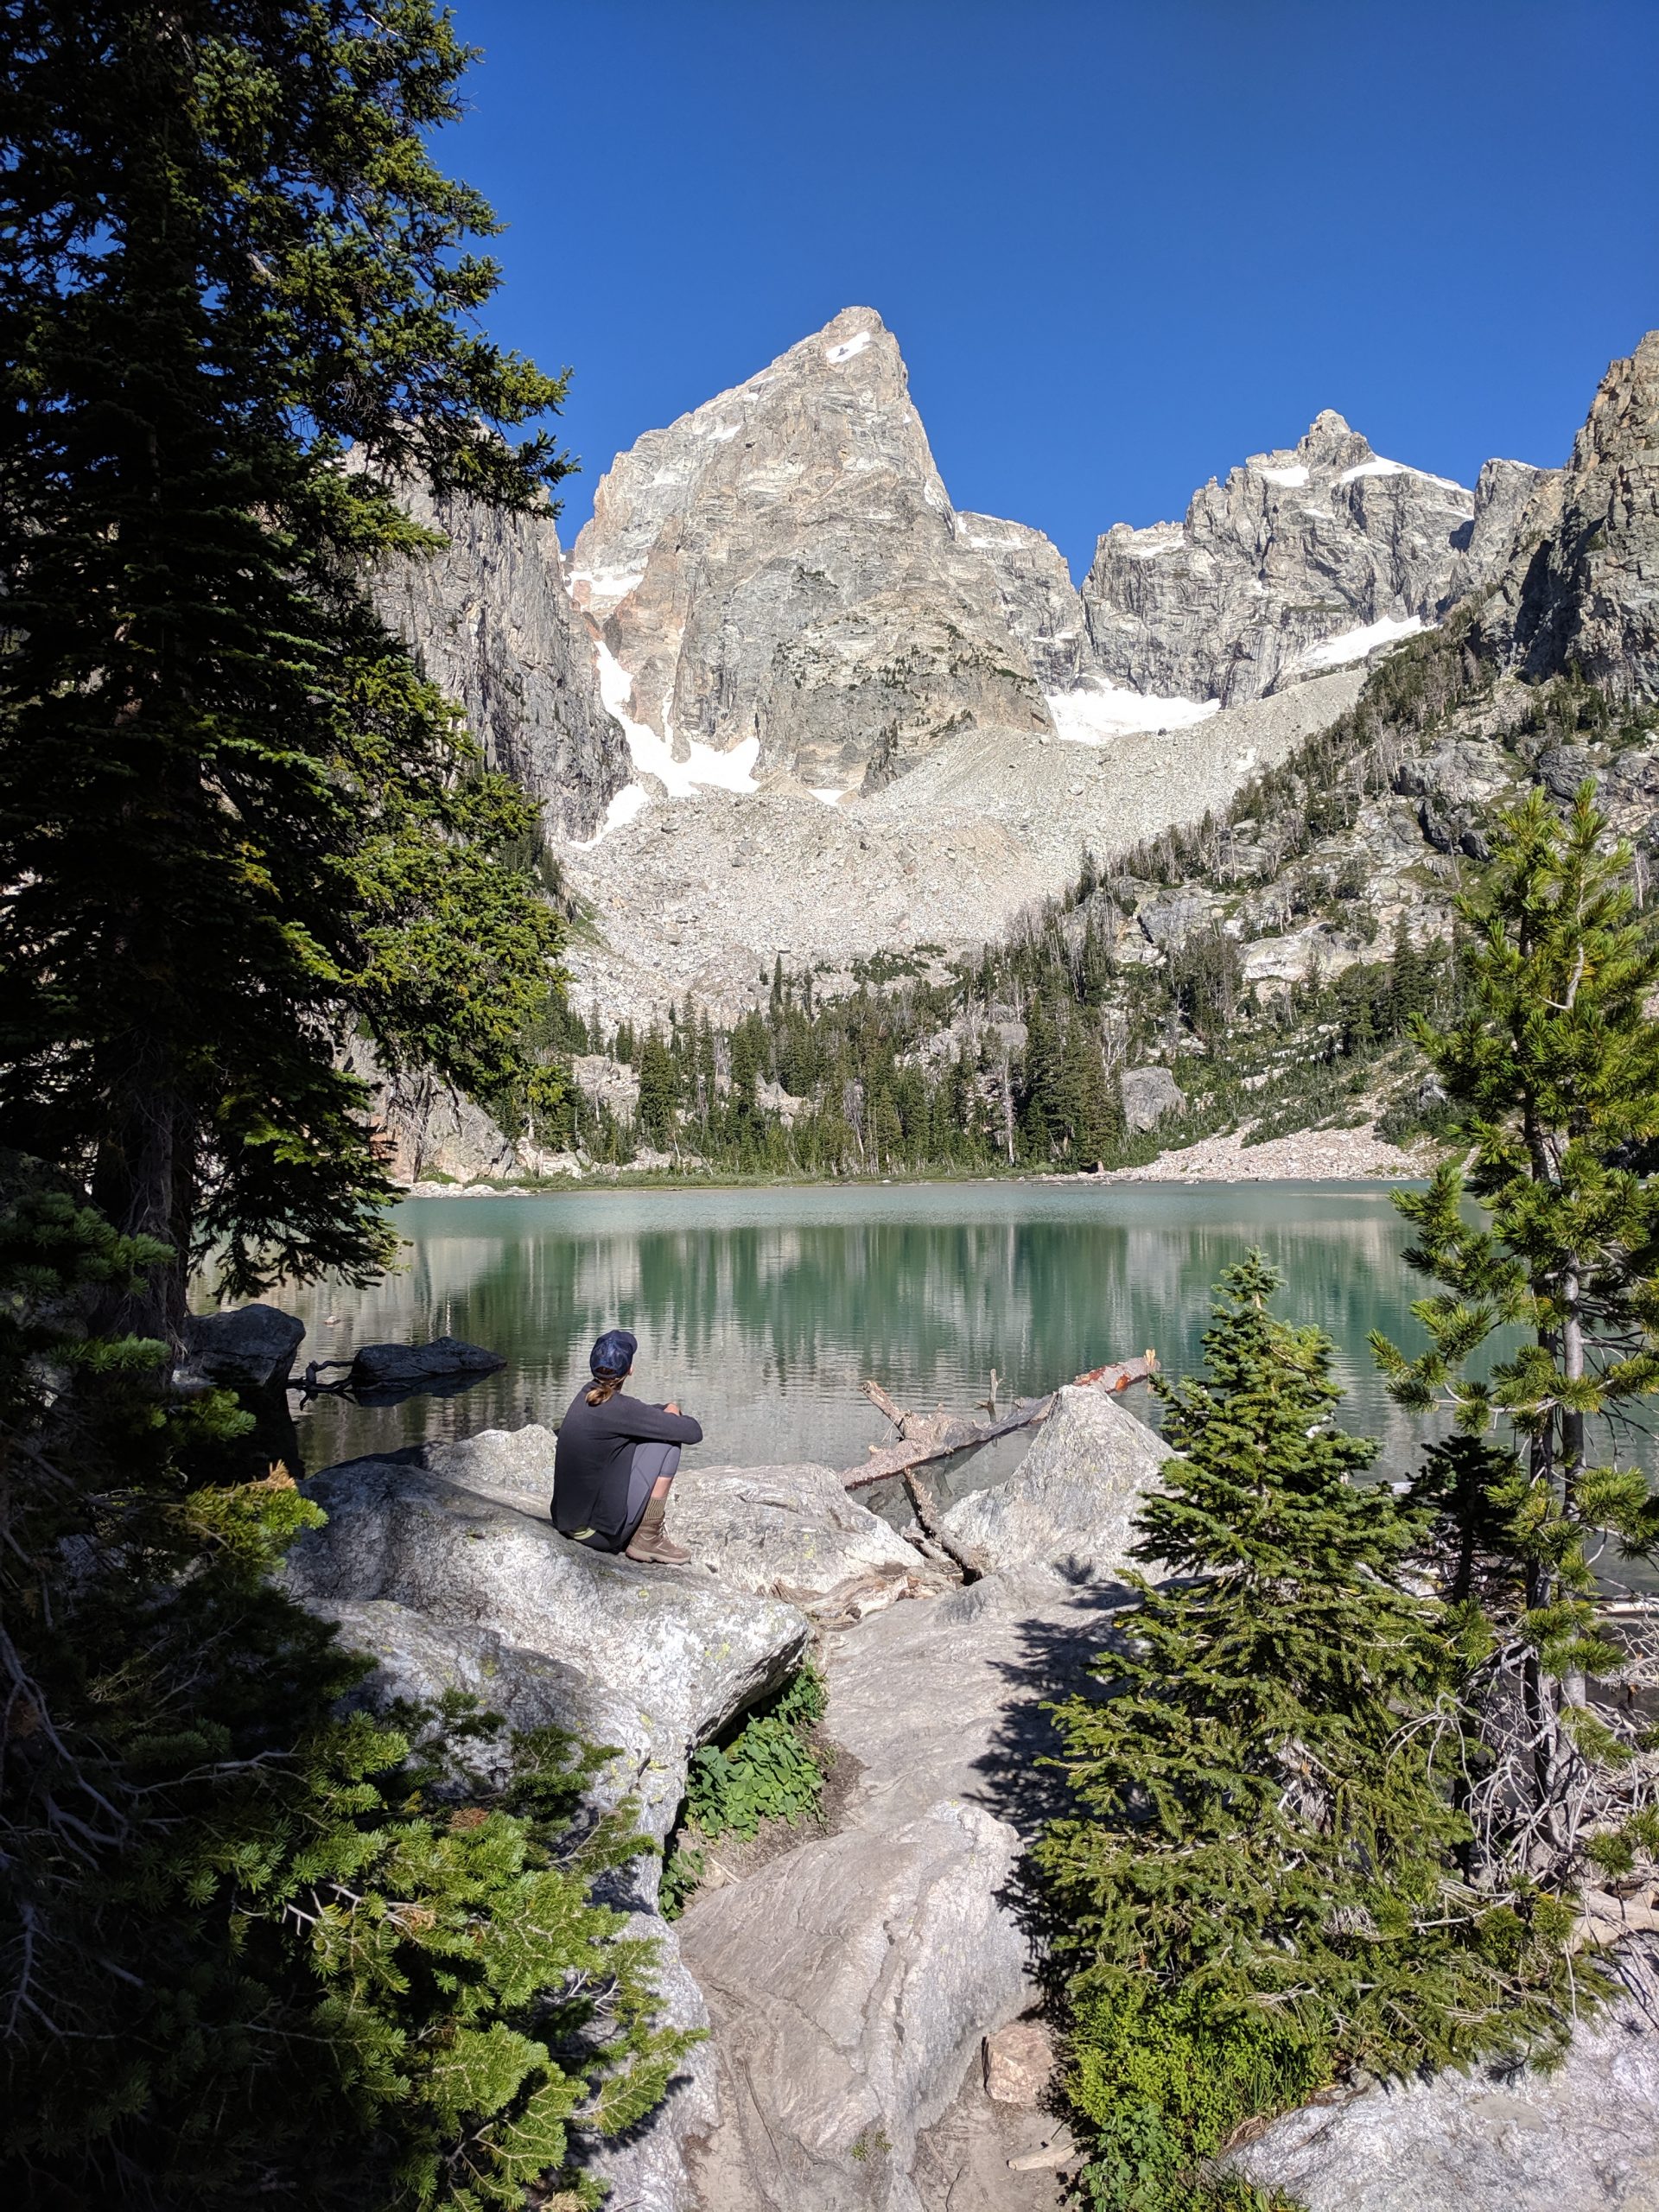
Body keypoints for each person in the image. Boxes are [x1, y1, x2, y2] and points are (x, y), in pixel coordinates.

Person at [552, 1327, 701, 1565]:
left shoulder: (585, 1397)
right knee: (670, 1442)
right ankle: (647, 1538)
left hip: (568, 1523)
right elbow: (692, 1432)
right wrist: (673, 1410)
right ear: (630, 1369)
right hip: (597, 1535)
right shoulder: (620, 1409)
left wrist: (661, 1411)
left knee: (651, 1433)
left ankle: (642, 1534)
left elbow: (633, 1414)